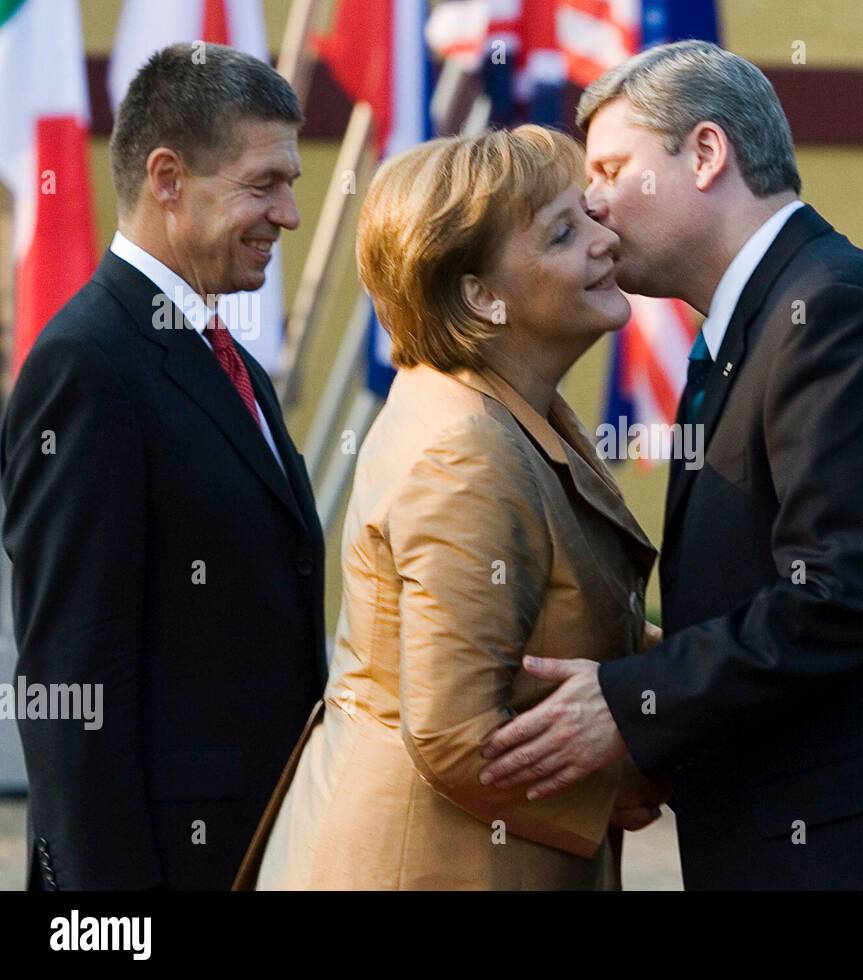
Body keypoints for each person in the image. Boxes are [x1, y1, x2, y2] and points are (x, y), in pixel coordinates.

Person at [479, 40, 863, 890]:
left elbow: (842, 594)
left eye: (612, 168)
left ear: (708, 153)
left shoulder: (835, 313)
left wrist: (635, 699)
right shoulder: (771, 322)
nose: (595, 205)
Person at [242, 125, 660, 890]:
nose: (606, 240)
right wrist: (630, 781)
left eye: (588, 217)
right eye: (566, 232)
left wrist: (707, 681)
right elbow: (458, 733)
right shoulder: (465, 448)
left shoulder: (513, 410)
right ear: (481, 296)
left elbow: (564, 617)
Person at [0, 44, 325, 890]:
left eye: (291, 182)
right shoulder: (88, 364)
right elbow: (70, 687)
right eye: (265, 185)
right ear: (168, 178)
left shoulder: (231, 360)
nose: (289, 215)